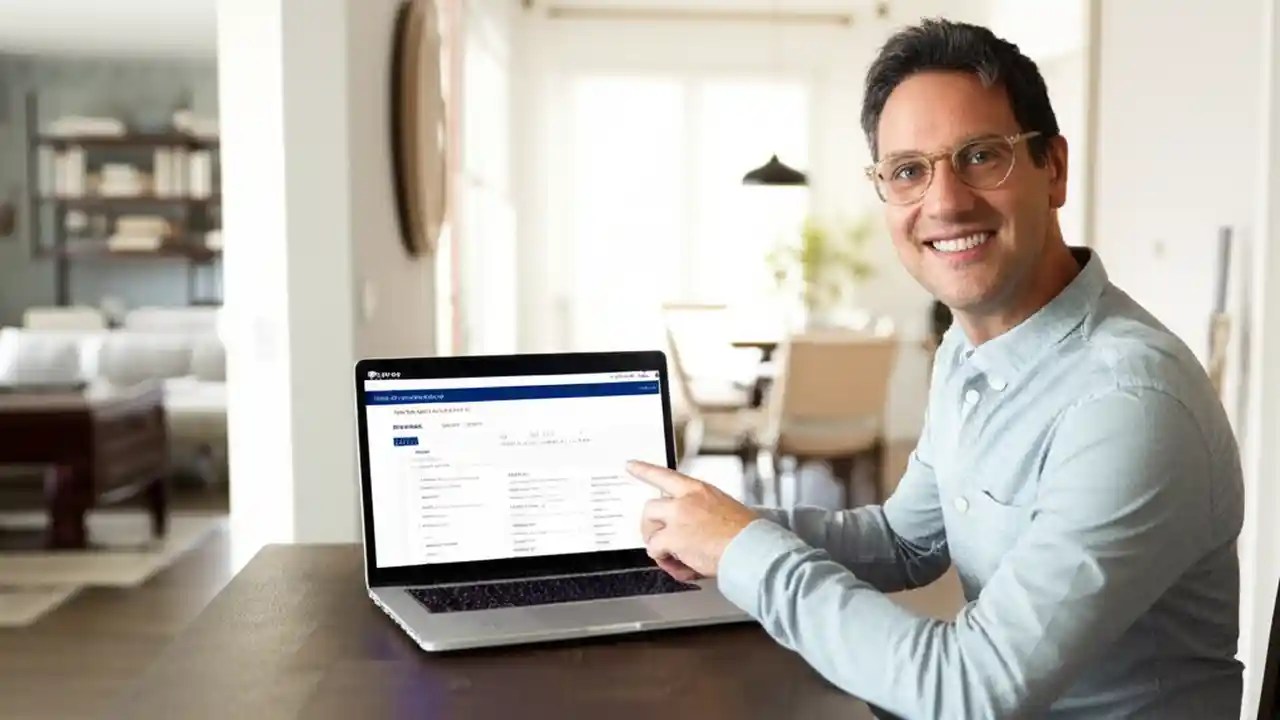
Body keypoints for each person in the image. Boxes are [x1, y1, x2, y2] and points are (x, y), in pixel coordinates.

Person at [627, 18, 1245, 719]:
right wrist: (727, 529)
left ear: (1055, 170)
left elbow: (969, 690)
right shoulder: (966, 348)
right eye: (909, 170)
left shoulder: (1131, 404)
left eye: (982, 156)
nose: (945, 202)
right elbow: (906, 541)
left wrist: (745, 552)